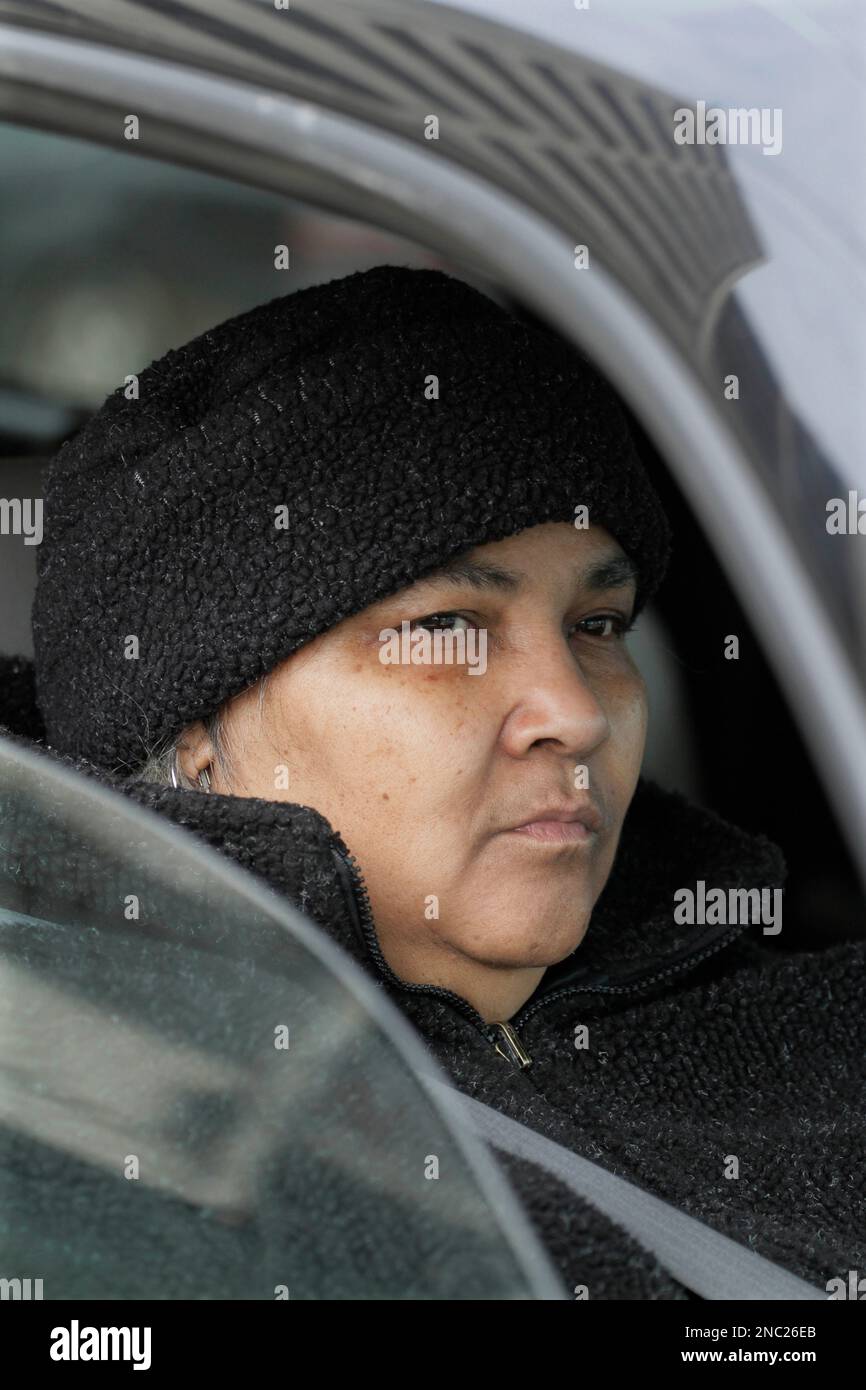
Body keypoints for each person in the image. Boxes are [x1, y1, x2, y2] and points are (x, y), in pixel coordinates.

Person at [3, 264, 864, 1299]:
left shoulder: (801, 1023)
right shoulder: (90, 1149)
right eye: (446, 628)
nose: (576, 711)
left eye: (594, 626)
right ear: (192, 733)